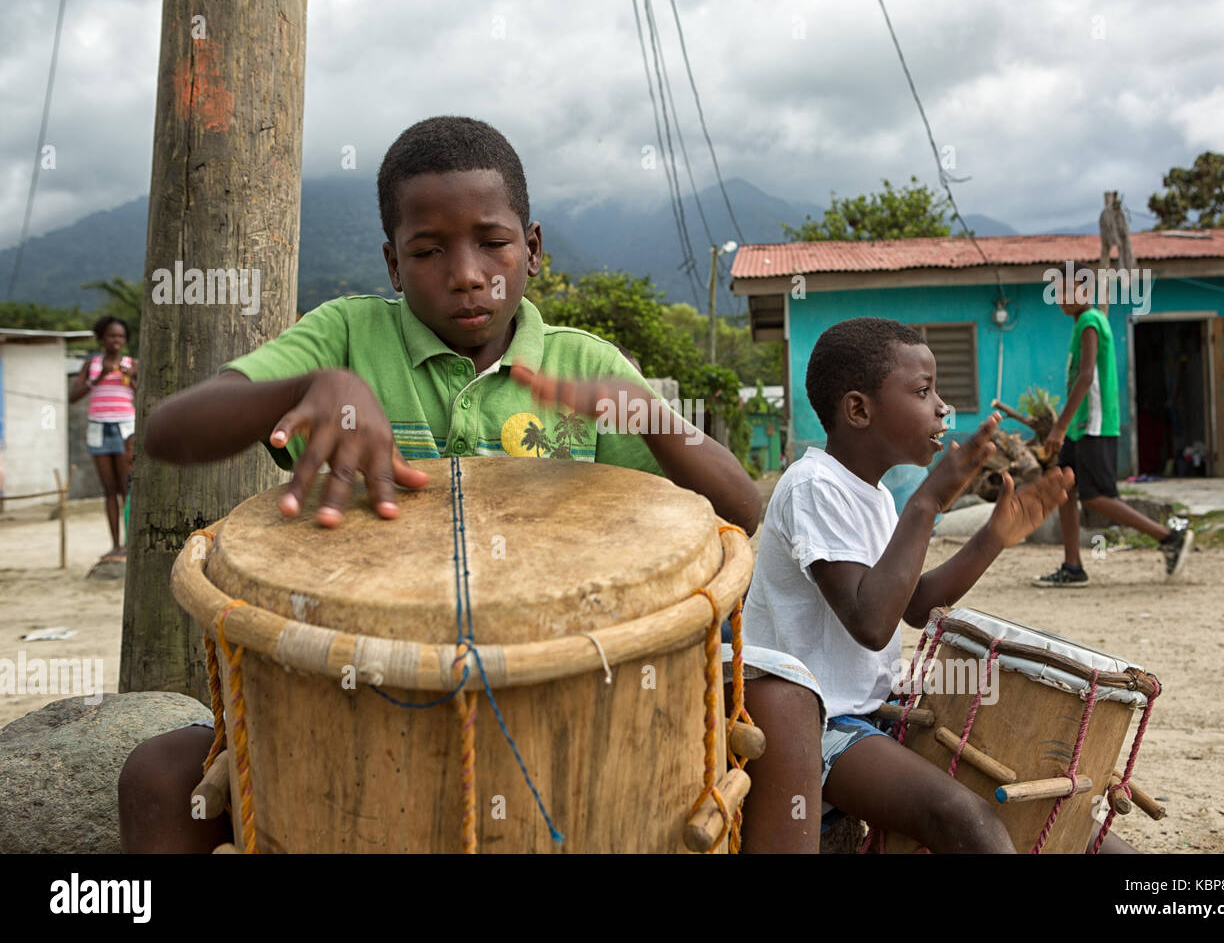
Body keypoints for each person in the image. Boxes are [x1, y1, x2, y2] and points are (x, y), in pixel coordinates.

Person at [117, 116, 804, 852]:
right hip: (360, 684)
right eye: (428, 250)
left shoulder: (584, 365)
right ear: (391, 263)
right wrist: (318, 382)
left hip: (564, 685)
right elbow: (169, 433)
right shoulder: (347, 337)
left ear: (532, 249)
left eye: (493, 242)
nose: (468, 272)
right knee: (156, 776)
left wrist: (635, 408)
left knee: (786, 710)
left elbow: (740, 505)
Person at [744, 317, 1078, 852]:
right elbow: (872, 622)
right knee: (967, 820)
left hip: (870, 714)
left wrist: (992, 538)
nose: (942, 407)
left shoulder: (873, 496)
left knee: (1039, 804)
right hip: (815, 726)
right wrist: (927, 502)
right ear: (858, 410)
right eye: (923, 391)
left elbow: (914, 604)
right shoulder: (812, 487)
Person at [1036, 263, 1193, 587]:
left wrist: (1059, 427)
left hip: (1092, 425)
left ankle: (1168, 537)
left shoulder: (1091, 322)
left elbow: (1087, 376)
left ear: (1086, 291)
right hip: (1080, 427)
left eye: (1069, 290)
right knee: (1062, 487)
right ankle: (1072, 567)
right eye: (1058, 292)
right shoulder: (1082, 323)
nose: (1062, 298)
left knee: (1096, 496)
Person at [69, 316, 137, 561]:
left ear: (125, 340)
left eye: (120, 336)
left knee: (126, 488)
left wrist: (133, 376)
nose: (116, 340)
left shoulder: (132, 364)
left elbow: (144, 393)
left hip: (124, 429)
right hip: (99, 428)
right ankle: (115, 545)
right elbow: (73, 396)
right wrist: (99, 378)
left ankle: (130, 543)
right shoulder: (91, 365)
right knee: (109, 490)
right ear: (101, 339)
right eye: (111, 336)